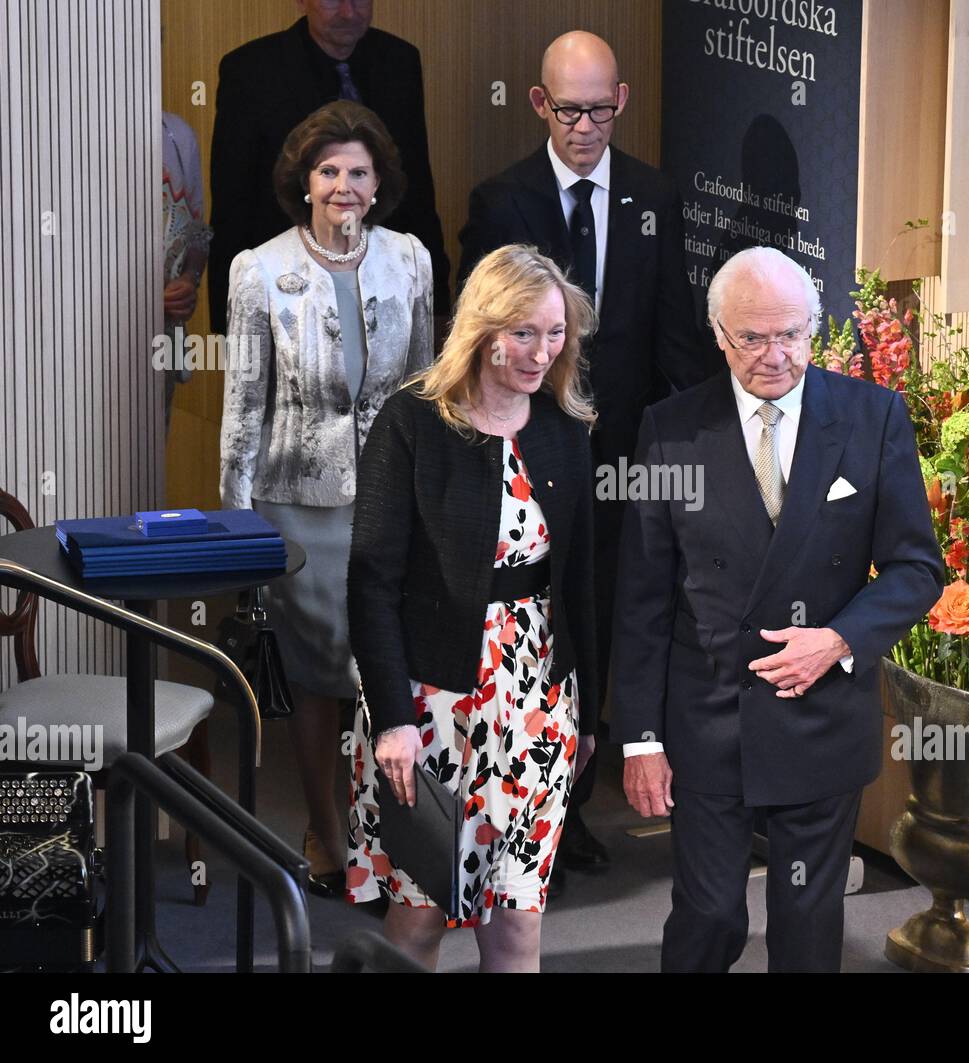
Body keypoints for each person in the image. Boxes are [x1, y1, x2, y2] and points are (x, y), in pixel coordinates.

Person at [611, 246, 945, 972]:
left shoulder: (872, 417)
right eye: (752, 338)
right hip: (707, 720)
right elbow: (641, 599)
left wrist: (837, 639)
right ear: (718, 335)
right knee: (709, 913)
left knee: (807, 922)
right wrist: (640, 737)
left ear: (814, 328)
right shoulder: (670, 432)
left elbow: (918, 567)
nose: (775, 355)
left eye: (791, 334)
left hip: (819, 716)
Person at [458, 31, 722, 881]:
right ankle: (521, 813)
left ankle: (568, 808)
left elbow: (676, 338)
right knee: (540, 623)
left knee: (603, 619)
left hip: (625, 459)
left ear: (623, 100)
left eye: (600, 110)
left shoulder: (654, 194)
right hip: (530, 453)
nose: (585, 126)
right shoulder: (503, 199)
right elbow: (473, 340)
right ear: (539, 104)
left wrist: (693, 452)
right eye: (569, 110)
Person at [345, 244, 600, 973]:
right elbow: (372, 582)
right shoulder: (412, 422)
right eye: (523, 332)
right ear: (482, 328)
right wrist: (392, 716)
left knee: (516, 925)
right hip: (429, 710)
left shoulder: (562, 426)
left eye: (554, 334)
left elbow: (580, 582)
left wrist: (587, 715)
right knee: (421, 917)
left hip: (536, 708)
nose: (541, 351)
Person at [219, 99, 435, 897]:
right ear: (304, 182)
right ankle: (326, 830)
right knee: (317, 677)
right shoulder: (259, 269)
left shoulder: (410, 260)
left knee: (386, 669)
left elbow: (427, 388)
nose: (344, 185)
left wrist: (436, 493)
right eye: (329, 170)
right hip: (297, 507)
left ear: (379, 184)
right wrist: (239, 535)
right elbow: (243, 408)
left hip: (391, 501)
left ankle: (388, 836)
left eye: (359, 171)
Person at [208, 0, 451, 336]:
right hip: (286, 292)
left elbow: (418, 186)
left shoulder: (399, 61)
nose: (349, 13)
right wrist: (227, 321)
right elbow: (231, 202)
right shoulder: (250, 70)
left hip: (384, 282)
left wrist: (437, 304)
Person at [161, 109, 211, 430]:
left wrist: (188, 280)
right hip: (82, 342)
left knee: (146, 459)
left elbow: (198, 233)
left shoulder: (175, 133)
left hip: (161, 335)